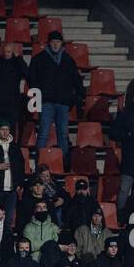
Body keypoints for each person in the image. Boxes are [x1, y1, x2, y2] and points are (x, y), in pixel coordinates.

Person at [26, 31, 84, 166]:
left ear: (61, 43)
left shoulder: (68, 60)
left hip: (63, 103)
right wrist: (39, 95)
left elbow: (76, 80)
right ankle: (39, 164)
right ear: (48, 43)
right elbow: (31, 78)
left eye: (58, 42)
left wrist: (76, 98)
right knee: (43, 134)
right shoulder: (39, 59)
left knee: (63, 135)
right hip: (46, 102)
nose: (55, 44)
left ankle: (64, 164)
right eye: (53, 42)